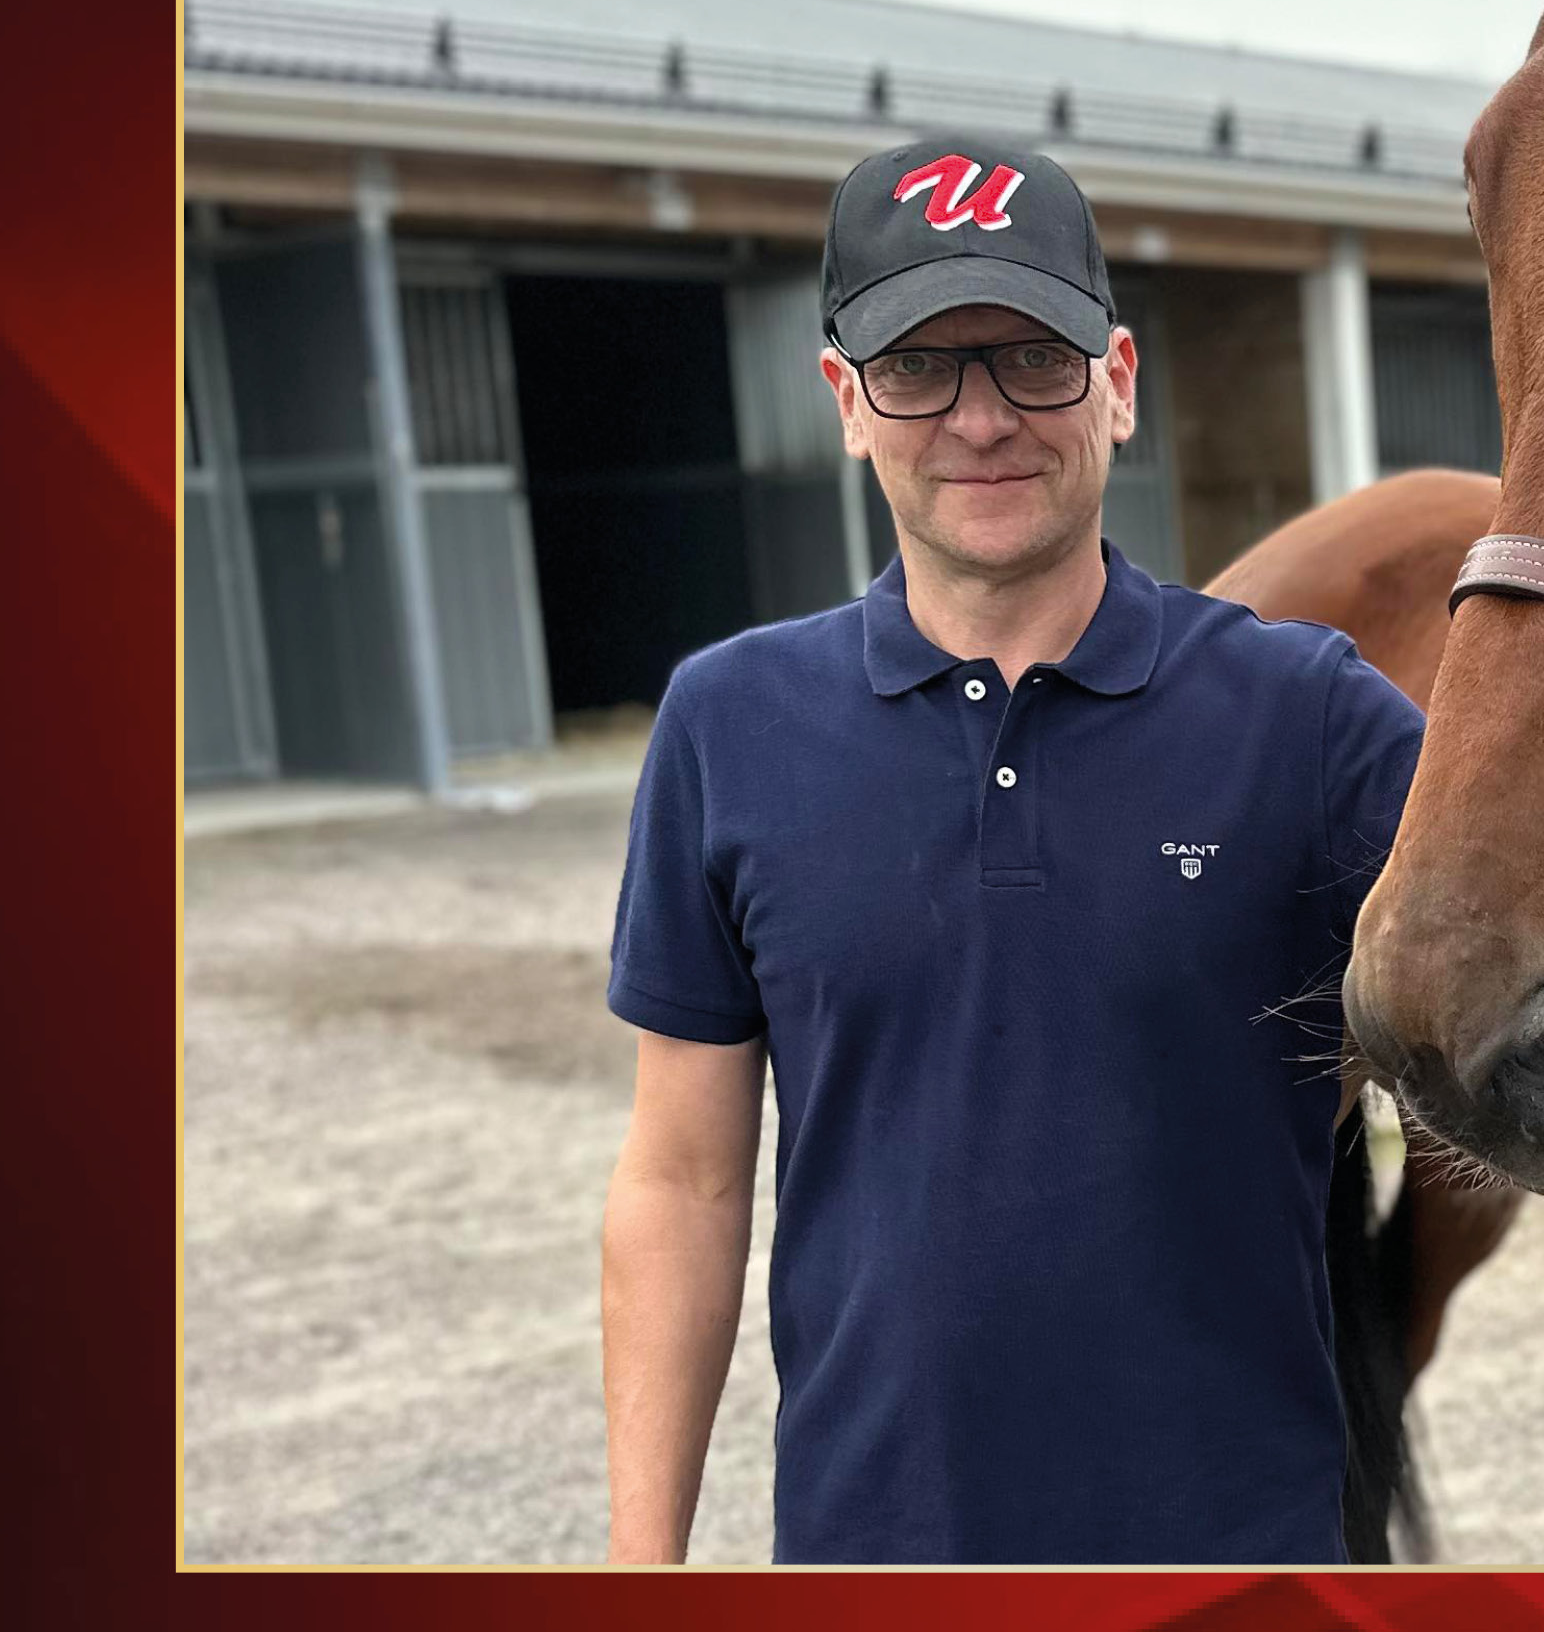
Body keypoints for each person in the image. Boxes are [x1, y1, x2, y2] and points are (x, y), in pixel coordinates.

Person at [596, 133, 1426, 1565]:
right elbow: (681, 1181)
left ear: (1115, 382)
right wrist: (637, 1564)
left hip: (1240, 1557)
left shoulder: (1308, 719)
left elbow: (1537, 941)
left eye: (1030, 358)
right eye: (920, 367)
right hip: (873, 1554)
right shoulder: (727, 725)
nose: (981, 419)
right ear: (845, 402)